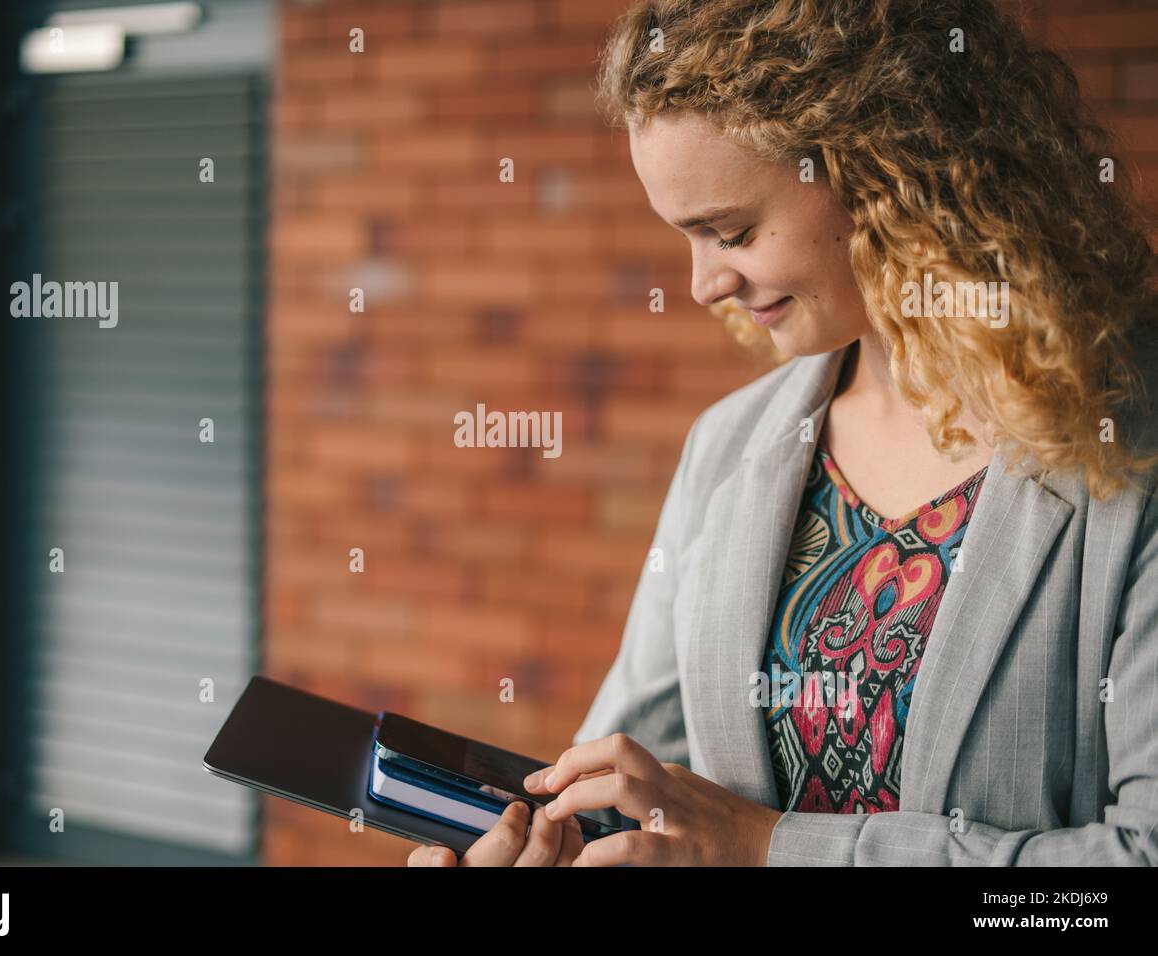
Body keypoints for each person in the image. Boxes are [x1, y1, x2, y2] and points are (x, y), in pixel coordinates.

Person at [410, 0, 1158, 866]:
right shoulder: (727, 447)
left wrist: (771, 847)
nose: (702, 285)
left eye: (730, 232)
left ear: (885, 170)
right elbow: (630, 785)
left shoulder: (1124, 443)